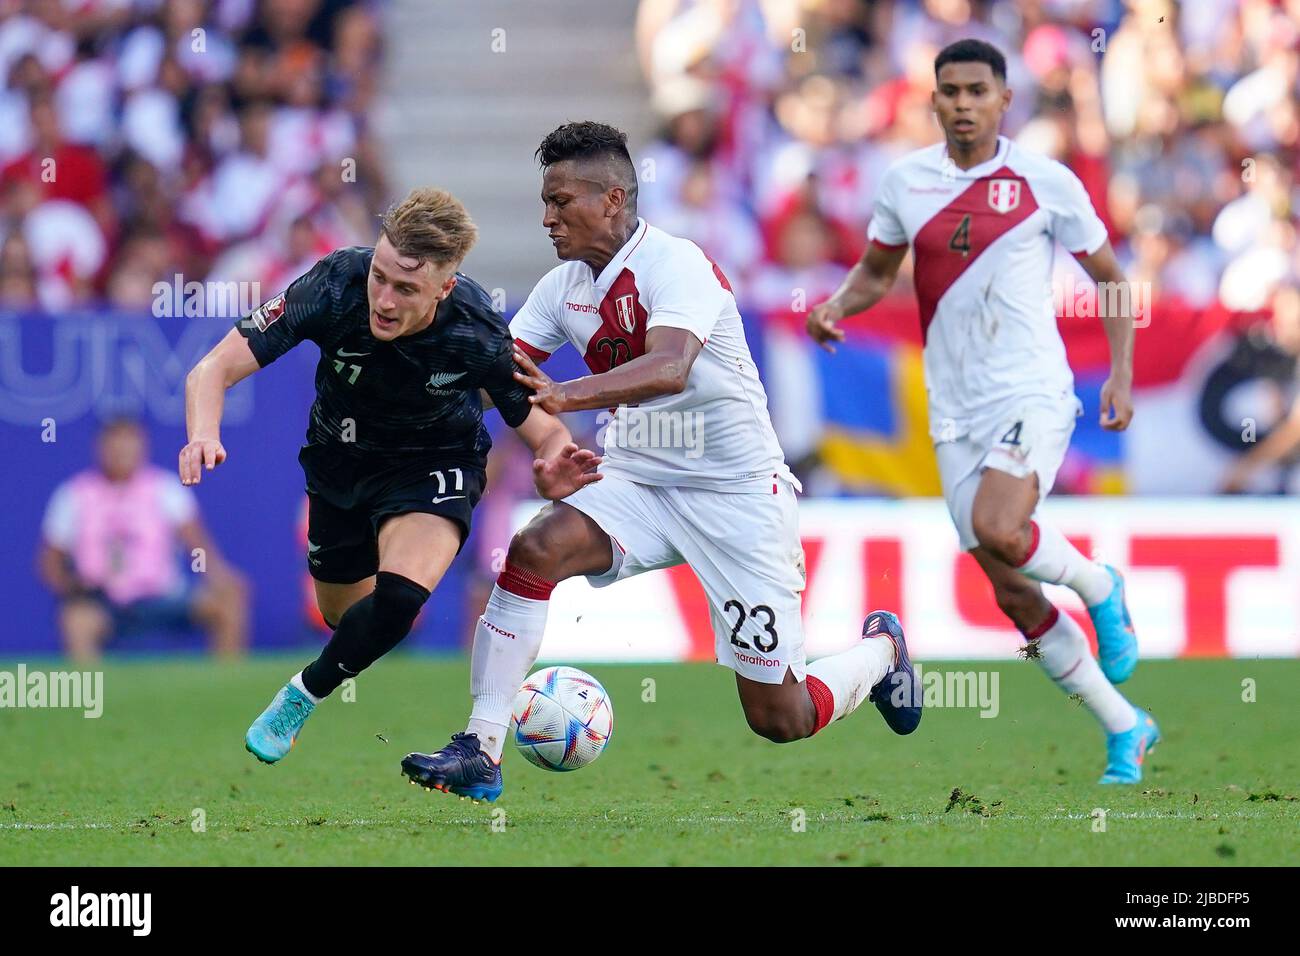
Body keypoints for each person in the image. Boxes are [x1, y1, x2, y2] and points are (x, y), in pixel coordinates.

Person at [401, 122, 922, 804]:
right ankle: (480, 749)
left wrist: (565, 396)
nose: (547, 216)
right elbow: (501, 372)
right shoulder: (564, 289)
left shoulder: (679, 265)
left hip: (737, 496)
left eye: (561, 201)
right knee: (534, 549)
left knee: (781, 718)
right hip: (640, 481)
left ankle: (882, 653)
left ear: (613, 200)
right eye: (545, 202)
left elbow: (671, 366)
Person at [807, 39, 1156, 784]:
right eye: (950, 91)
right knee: (1010, 586)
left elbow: (1112, 278)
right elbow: (876, 274)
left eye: (977, 90)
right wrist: (838, 305)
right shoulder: (904, 182)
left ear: (1004, 100)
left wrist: (1120, 373)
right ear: (932, 100)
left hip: (1029, 390)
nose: (963, 103)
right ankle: (1125, 727)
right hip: (953, 411)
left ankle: (1100, 587)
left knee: (1002, 527)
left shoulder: (1045, 181)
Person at [180, 186, 601, 764]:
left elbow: (544, 427)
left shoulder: (477, 330)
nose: (383, 298)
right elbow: (213, 368)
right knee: (345, 617)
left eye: (405, 288)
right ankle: (345, 647)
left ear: (443, 288)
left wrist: (553, 461)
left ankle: (301, 695)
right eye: (380, 276)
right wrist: (204, 432)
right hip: (341, 464)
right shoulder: (333, 284)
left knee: (400, 598)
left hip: (435, 462)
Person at [38, 417, 248, 663]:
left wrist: (222, 578)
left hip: (165, 597)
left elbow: (198, 545)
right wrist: (74, 586)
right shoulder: (72, 495)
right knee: (76, 621)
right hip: (104, 603)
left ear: (142, 447)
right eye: (115, 445)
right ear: (100, 448)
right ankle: (95, 698)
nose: (122, 452)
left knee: (227, 602)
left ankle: (223, 690)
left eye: (129, 444)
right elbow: (50, 562)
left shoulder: (166, 488)